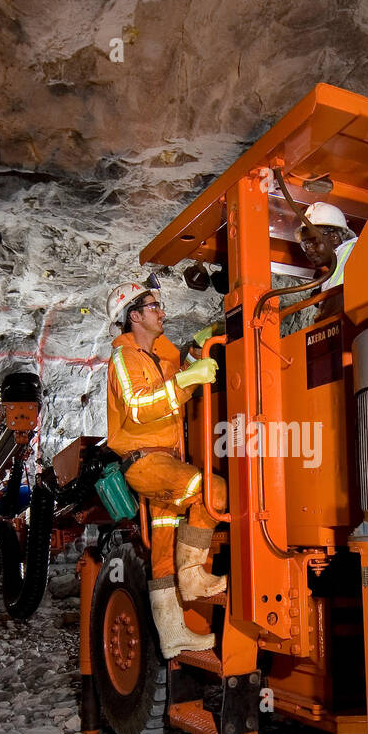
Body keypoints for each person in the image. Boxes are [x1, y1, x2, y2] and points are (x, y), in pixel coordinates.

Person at [105, 282, 227, 659]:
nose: (162, 311)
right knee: (212, 491)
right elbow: (139, 406)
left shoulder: (160, 355)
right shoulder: (124, 359)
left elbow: (180, 387)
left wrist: (194, 355)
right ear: (134, 315)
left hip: (166, 460)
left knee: (162, 549)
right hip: (144, 461)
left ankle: (173, 635)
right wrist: (187, 377)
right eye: (154, 306)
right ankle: (192, 577)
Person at [281, 202, 356, 333]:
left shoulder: (354, 251)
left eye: (313, 242)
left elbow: (340, 302)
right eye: (305, 244)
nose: (309, 250)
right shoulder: (335, 267)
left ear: (334, 237)